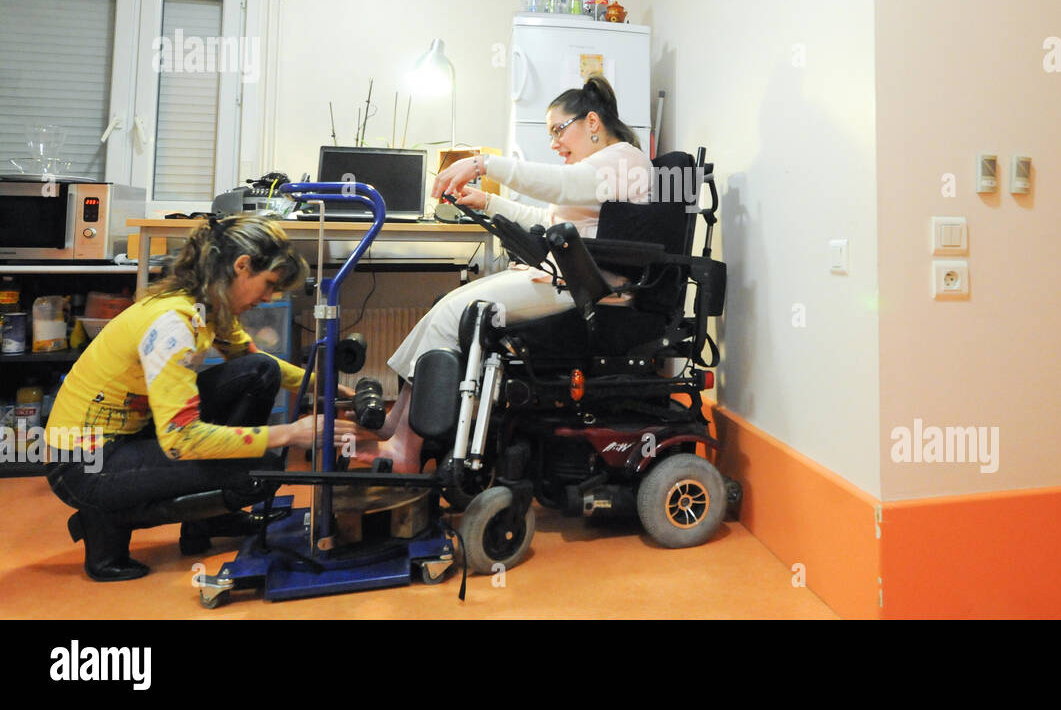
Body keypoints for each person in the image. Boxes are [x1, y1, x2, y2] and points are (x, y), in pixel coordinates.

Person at [361, 75, 651, 472]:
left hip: (591, 287)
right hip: (569, 277)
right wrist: (489, 201)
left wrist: (483, 163)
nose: (554, 143)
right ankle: (398, 426)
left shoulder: (625, 160)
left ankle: (405, 450)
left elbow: (562, 187)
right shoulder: (598, 166)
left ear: (593, 123)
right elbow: (548, 215)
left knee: (459, 315)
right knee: (446, 307)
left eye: (558, 130)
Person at [45, 216, 357, 581]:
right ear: (242, 267)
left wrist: (321, 385)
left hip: (131, 437)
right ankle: (102, 518)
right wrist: (289, 433)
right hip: (85, 466)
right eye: (269, 284)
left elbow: (253, 362)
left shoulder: (207, 306)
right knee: (259, 472)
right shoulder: (173, 324)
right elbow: (182, 440)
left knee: (258, 371)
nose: (268, 298)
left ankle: (210, 523)